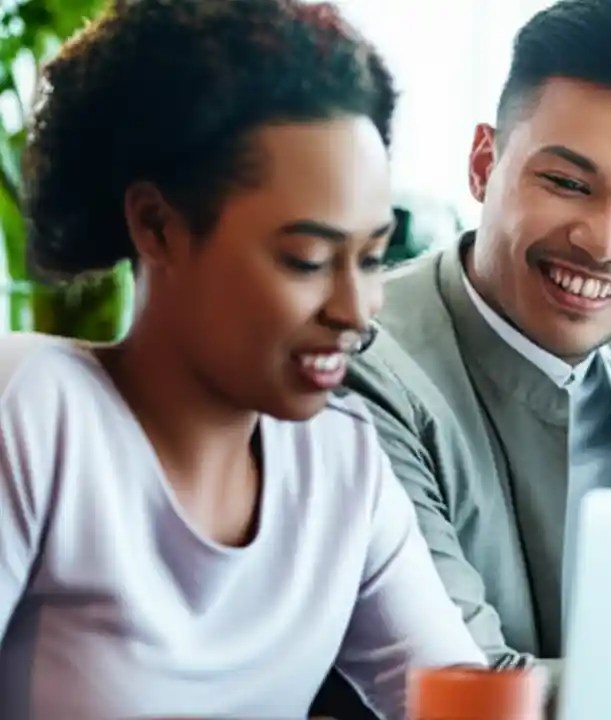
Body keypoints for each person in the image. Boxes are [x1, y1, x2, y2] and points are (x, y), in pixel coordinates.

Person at [0, 2, 486, 718]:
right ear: (157, 225)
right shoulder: (37, 414)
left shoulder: (341, 466)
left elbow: (459, 699)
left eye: (374, 256)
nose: (357, 308)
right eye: (308, 259)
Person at [344, 0, 611, 675]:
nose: (605, 242)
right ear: (483, 163)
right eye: (567, 183)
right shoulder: (362, 366)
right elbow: (461, 690)